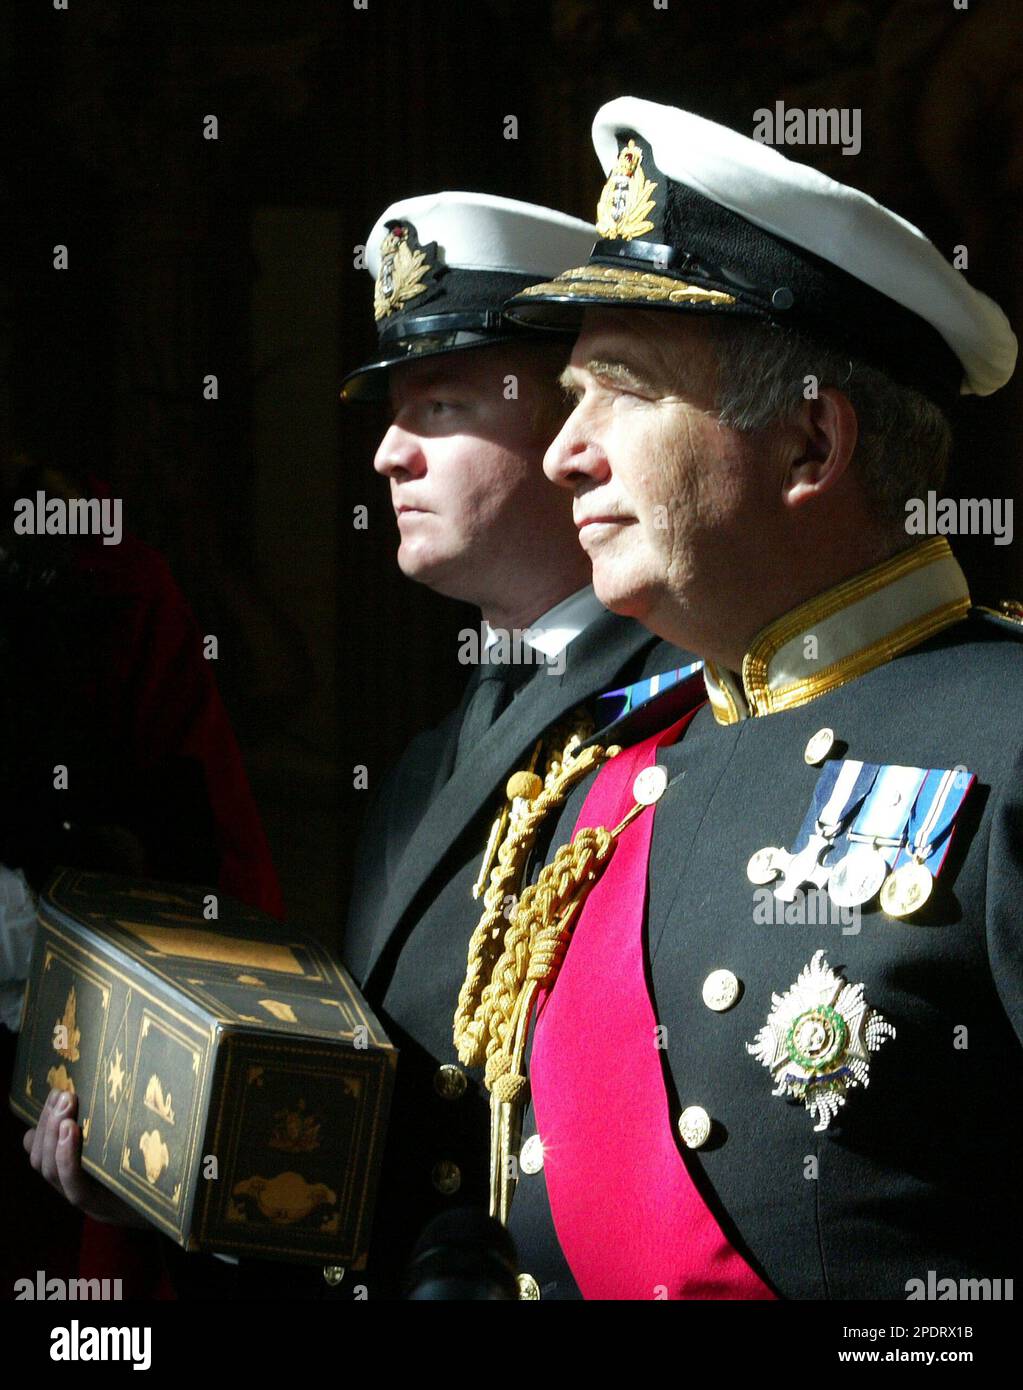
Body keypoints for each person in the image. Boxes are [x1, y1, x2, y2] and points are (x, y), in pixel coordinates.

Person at [464, 97, 1023, 1300]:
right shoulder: (602, 782)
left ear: (811, 442)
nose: (566, 449)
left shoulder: (1006, 739)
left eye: (621, 388)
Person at [336, 192, 693, 1298]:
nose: (391, 453)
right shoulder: (424, 758)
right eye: (394, 414)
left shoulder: (686, 706)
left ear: (573, 429)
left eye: (440, 406)